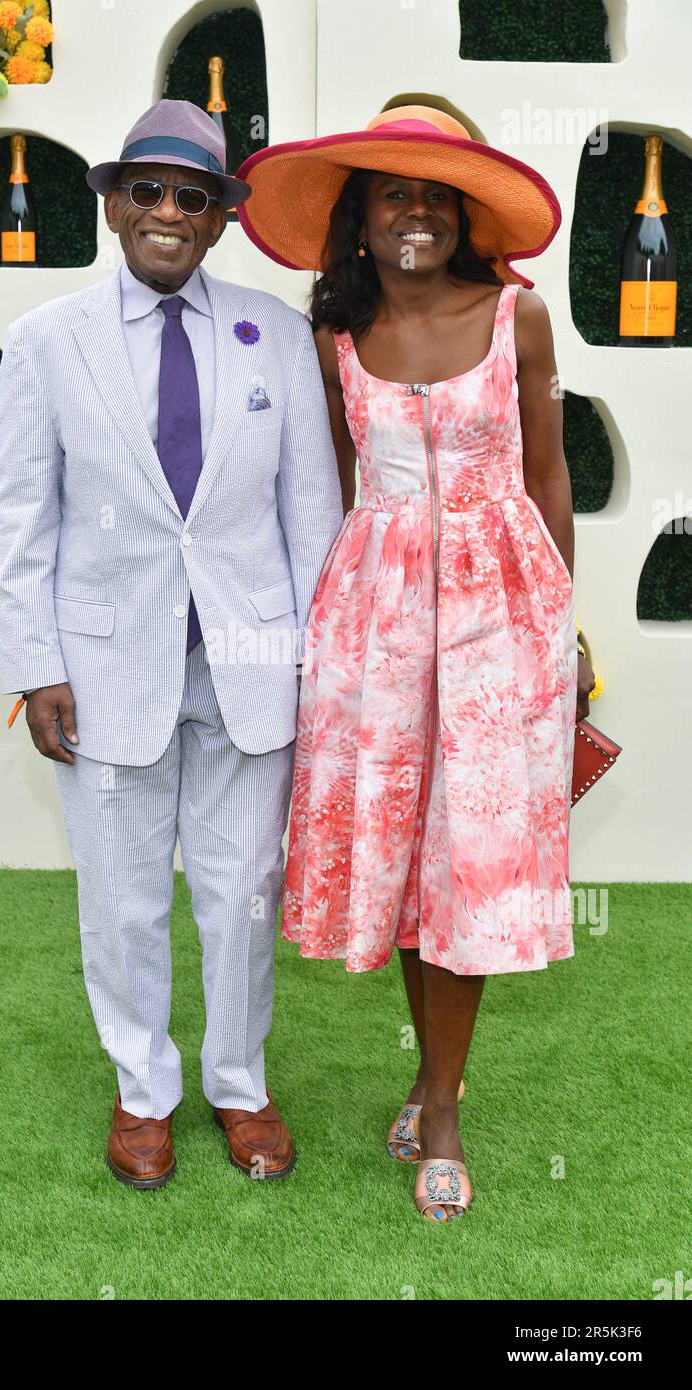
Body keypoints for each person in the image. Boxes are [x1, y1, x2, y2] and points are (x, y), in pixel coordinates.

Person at [236, 105, 596, 1220]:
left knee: (472, 861)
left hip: (501, 623)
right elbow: (332, 493)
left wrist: (563, 628)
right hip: (375, 628)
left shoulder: (519, 317)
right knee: (405, 861)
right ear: (358, 216)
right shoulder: (329, 342)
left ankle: (439, 1105)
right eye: (393, 192)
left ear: (465, 216)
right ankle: (428, 1073)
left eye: (437, 194)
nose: (416, 212)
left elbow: (546, 479)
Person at [0, 100, 343, 1188]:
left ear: (219, 219)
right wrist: (35, 663)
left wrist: (319, 667)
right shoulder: (44, 342)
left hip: (249, 667)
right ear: (110, 205)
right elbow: (23, 517)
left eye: (191, 196)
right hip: (103, 669)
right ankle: (142, 1090)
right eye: (144, 188)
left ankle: (238, 1083)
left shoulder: (274, 335)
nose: (165, 211)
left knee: (240, 892)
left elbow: (311, 520)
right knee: (122, 894)